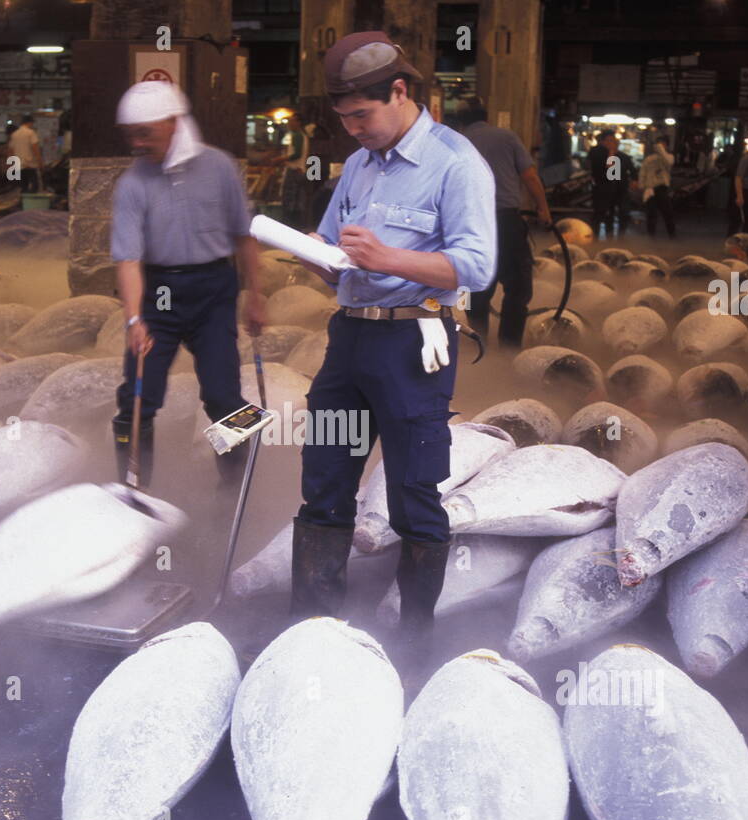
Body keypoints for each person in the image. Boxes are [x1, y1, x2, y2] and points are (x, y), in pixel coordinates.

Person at [288, 32, 495, 668]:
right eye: (343, 118)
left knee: (413, 491)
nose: (352, 130)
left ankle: (414, 642)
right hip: (349, 338)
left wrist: (389, 257)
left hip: (414, 343)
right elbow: (330, 243)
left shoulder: (457, 163)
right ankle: (312, 631)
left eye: (361, 116)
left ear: (400, 92)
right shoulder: (358, 165)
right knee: (325, 478)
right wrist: (317, 258)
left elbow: (478, 266)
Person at [109, 81, 266, 494]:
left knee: (224, 396)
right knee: (138, 397)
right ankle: (132, 489)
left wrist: (256, 295)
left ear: (175, 122)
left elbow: (243, 234)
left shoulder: (219, 166)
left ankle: (234, 487)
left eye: (146, 132)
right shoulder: (132, 183)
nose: (138, 143)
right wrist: (134, 319)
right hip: (158, 290)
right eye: (132, 134)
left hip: (214, 289)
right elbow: (127, 258)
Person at [457, 96, 550, 350]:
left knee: (474, 288)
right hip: (505, 221)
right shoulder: (506, 137)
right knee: (517, 288)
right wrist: (543, 209)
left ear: (461, 122)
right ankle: (508, 350)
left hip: (468, 224)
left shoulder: (455, 142)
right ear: (486, 115)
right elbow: (529, 176)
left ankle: (477, 346)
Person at [588, 131, 634, 237]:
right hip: (601, 189)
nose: (612, 143)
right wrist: (611, 152)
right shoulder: (596, 152)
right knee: (599, 215)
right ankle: (595, 239)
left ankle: (616, 239)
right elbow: (610, 170)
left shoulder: (621, 156)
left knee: (617, 215)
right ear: (603, 141)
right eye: (609, 140)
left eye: (613, 140)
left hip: (617, 190)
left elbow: (620, 172)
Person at [639, 138, 676, 238]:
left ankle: (672, 234)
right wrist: (642, 185)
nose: (659, 146)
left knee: (667, 213)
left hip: (662, 188)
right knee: (651, 214)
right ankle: (651, 235)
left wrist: (661, 149)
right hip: (650, 189)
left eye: (663, 144)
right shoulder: (649, 159)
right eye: (658, 145)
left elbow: (669, 162)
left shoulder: (669, 157)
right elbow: (643, 172)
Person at [8, 115, 43, 193]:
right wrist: (40, 162)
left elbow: (11, 151)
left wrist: (11, 165)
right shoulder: (31, 133)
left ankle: (23, 203)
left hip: (18, 166)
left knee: (23, 187)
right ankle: (30, 203)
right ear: (29, 123)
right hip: (30, 165)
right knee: (34, 186)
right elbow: (35, 148)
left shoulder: (14, 134)